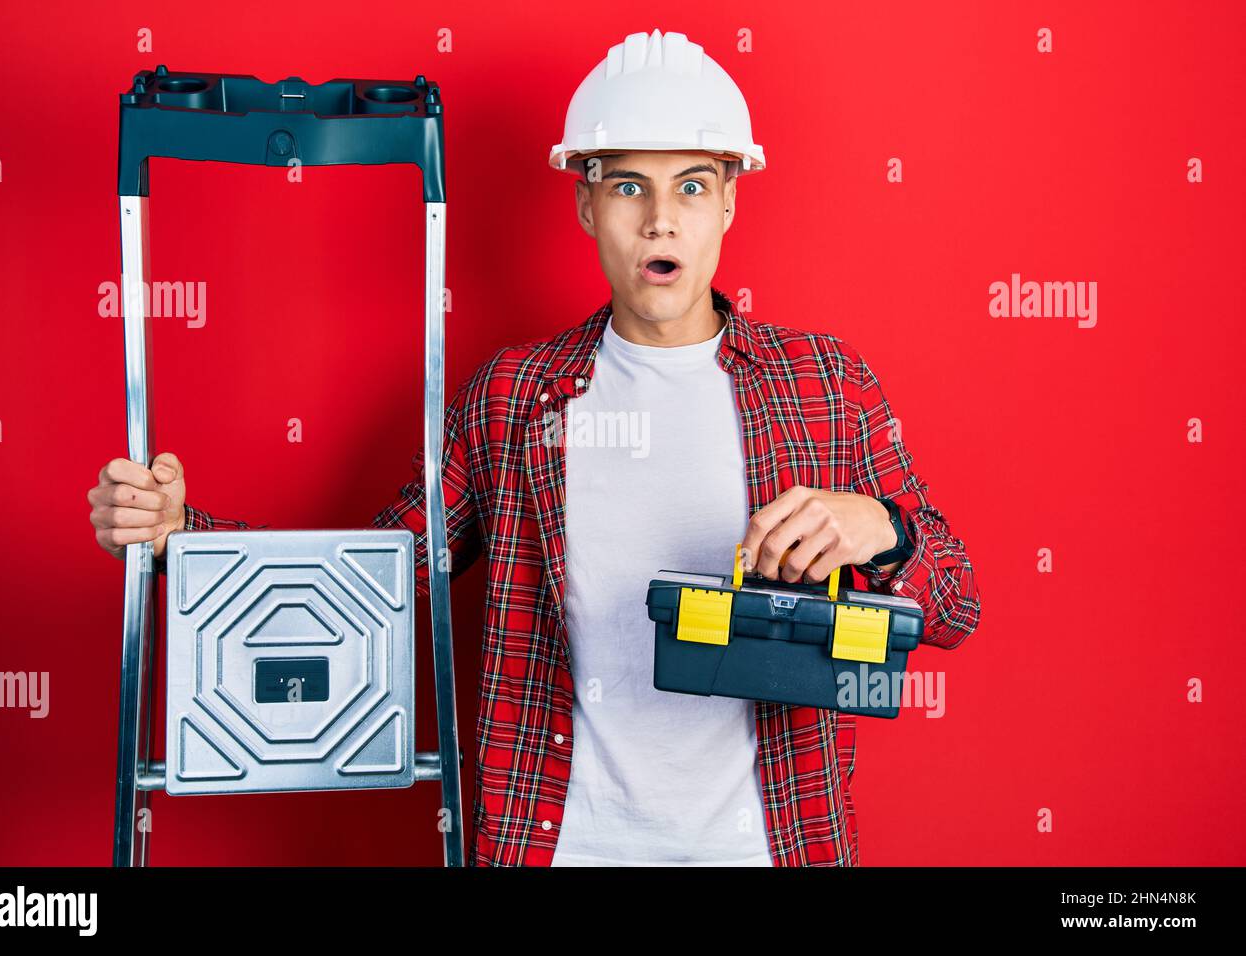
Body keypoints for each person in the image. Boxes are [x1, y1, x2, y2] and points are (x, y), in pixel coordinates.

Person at [87, 29, 980, 866]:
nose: (661, 221)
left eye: (692, 187)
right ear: (587, 203)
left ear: (730, 201)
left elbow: (956, 605)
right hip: (559, 846)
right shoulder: (513, 399)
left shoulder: (826, 386)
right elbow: (380, 582)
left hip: (769, 845)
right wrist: (179, 536)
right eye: (629, 186)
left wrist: (885, 531)